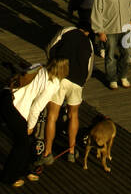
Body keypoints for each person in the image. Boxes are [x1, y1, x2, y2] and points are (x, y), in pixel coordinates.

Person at [0, 54, 69, 188]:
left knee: (25, 142)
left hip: (6, 96)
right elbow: (36, 108)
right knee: (21, 145)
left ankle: (24, 170)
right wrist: (31, 126)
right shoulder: (52, 84)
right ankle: (8, 177)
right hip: (15, 107)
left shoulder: (39, 66)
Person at [39, 25, 94, 165]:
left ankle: (47, 152)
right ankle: (70, 151)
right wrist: (81, 83)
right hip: (77, 81)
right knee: (73, 115)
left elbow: (49, 47)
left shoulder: (67, 30)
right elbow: (89, 69)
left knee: (51, 115)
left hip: (59, 75)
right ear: (87, 32)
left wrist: (53, 64)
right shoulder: (89, 43)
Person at [91, 0, 131, 88]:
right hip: (109, 29)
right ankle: (112, 78)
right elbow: (97, 10)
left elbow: (128, 4)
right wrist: (99, 31)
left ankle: (123, 76)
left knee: (127, 54)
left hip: (125, 27)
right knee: (110, 56)